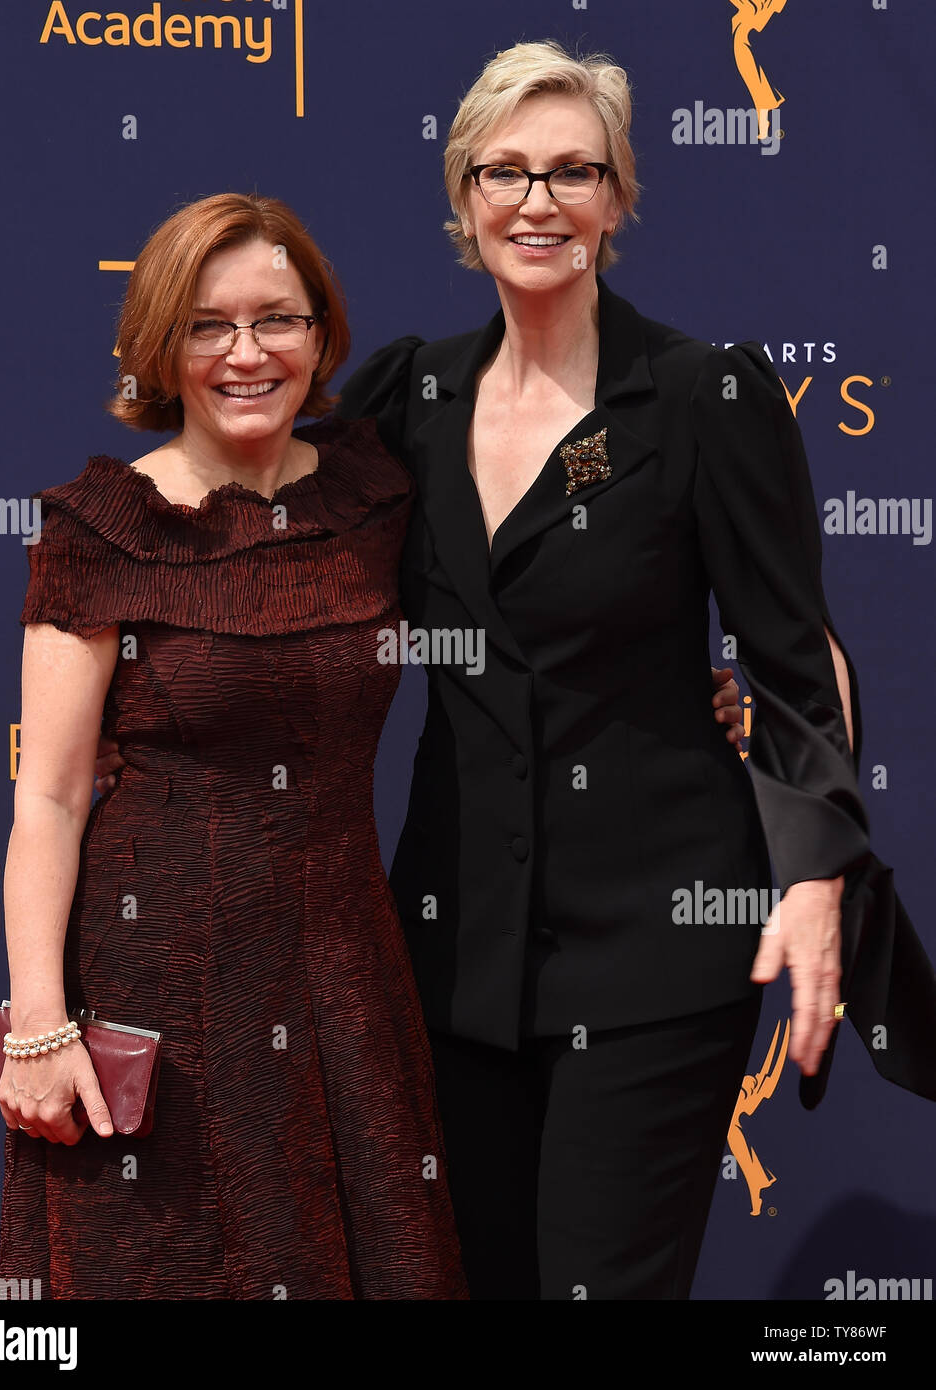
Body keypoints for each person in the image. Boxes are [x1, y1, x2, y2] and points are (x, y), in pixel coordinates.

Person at [323, 40, 936, 1297]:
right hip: (449, 962)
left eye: (571, 173)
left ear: (616, 199)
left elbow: (791, 660)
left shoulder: (701, 397)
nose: (536, 202)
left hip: (655, 957)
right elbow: (271, 561)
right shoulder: (407, 399)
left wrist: (814, 878)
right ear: (462, 197)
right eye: (505, 173)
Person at [0, 192, 469, 1299]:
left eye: (278, 319)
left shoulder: (370, 493)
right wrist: (37, 1026)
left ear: (321, 334)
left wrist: (704, 692)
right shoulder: (103, 529)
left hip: (344, 970)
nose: (246, 353)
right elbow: (51, 798)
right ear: (162, 346)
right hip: (155, 981)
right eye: (208, 325)